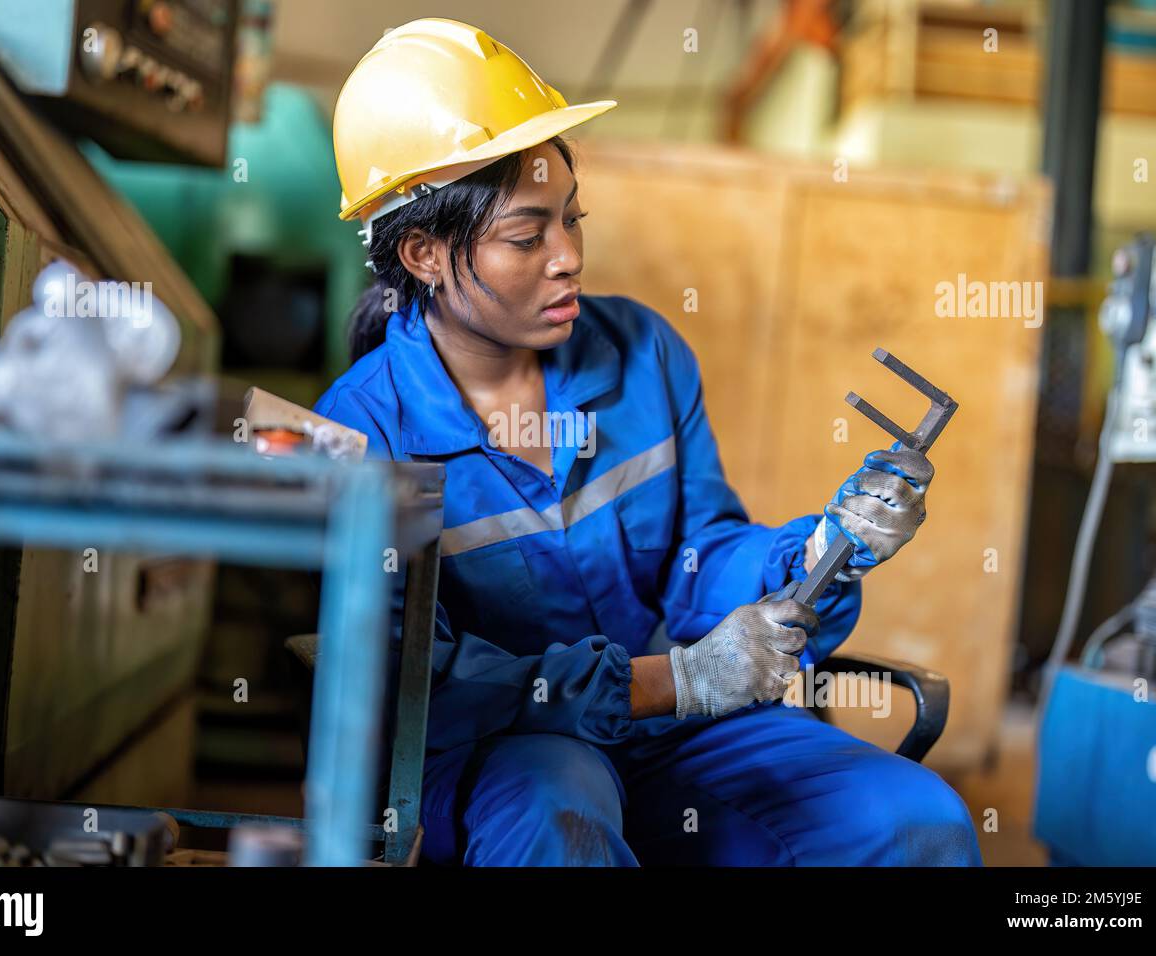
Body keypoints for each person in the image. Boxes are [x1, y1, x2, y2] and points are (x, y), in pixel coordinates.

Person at [317, 17, 982, 866]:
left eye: (572, 219)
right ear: (423, 254)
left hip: (678, 733)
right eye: (528, 236)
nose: (568, 258)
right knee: (560, 816)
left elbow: (702, 557)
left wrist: (822, 547)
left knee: (916, 822)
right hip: (508, 754)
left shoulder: (643, 355)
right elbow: (421, 683)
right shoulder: (359, 434)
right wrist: (674, 680)